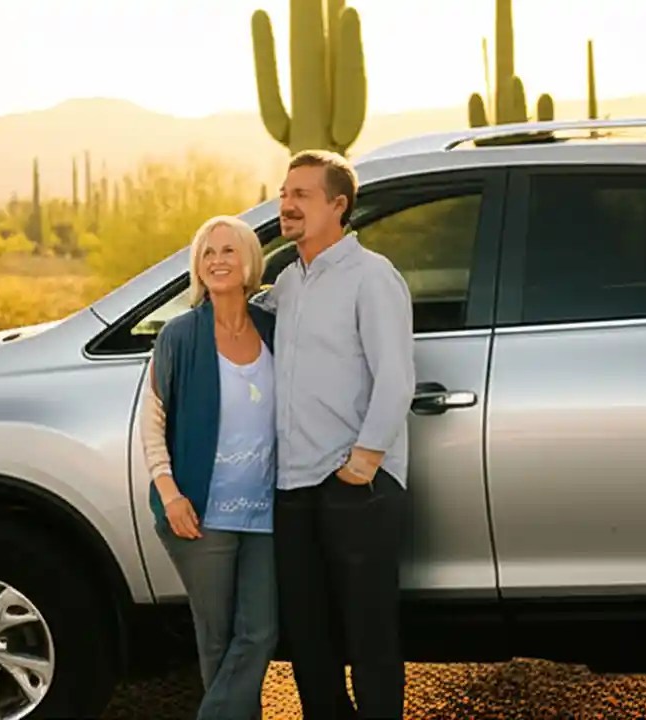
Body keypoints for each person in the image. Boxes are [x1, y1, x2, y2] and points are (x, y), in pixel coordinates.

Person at [254, 149, 415, 719]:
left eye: (302, 194)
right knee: (307, 637)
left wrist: (362, 465)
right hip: (293, 486)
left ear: (338, 205)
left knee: (368, 635)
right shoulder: (287, 284)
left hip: (355, 486)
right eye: (283, 193)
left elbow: (396, 378)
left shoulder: (372, 277)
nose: (286, 204)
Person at [139, 214, 279, 720]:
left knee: (261, 630)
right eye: (208, 253)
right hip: (199, 511)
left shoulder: (272, 329)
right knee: (217, 638)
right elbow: (151, 421)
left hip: (265, 511)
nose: (218, 260)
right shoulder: (179, 336)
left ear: (249, 263)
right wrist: (170, 493)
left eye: (229, 250)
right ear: (199, 267)